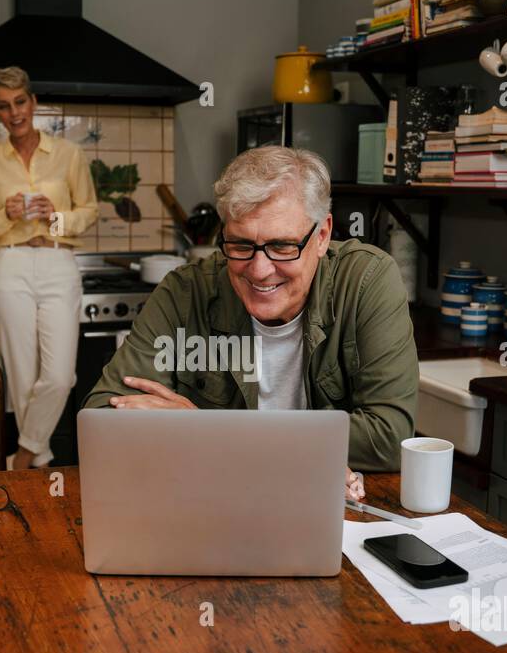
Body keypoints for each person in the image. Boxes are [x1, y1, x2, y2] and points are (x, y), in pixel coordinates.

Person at [82, 146, 417, 499]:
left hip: (326, 506)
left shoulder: (367, 280)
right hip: (212, 502)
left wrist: (209, 431)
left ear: (321, 236)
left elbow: (390, 437)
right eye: (240, 245)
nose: (259, 270)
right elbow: (102, 419)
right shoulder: (185, 290)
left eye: (283, 246)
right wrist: (299, 450)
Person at [0, 67, 97, 470]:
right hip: (10, 266)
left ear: (33, 102)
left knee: (59, 376)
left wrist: (56, 216)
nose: (14, 112)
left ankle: (23, 457)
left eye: (20, 102)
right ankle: (37, 467)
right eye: (4, 106)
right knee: (21, 377)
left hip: (58, 262)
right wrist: (4, 217)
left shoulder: (69, 155)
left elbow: (89, 212)